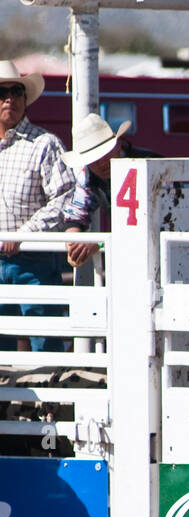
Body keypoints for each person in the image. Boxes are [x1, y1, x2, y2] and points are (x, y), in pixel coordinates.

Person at [0, 60, 75, 353]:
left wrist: (24, 234)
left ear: (25, 99)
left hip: (33, 260)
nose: (10, 99)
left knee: (44, 339)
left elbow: (66, 197)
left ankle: (50, 399)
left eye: (17, 92)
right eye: (2, 93)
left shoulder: (44, 144)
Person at [61, 114, 159, 268]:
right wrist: (74, 242)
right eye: (93, 160)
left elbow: (153, 226)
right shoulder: (88, 175)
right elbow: (75, 216)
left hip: (164, 251)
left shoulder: (150, 165)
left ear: (118, 144)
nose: (101, 164)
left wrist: (99, 244)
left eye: (105, 154)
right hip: (133, 257)